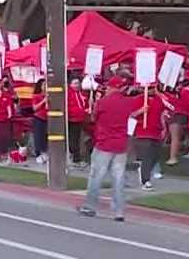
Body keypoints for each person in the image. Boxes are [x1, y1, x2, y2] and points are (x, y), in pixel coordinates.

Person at [79, 76, 146, 221]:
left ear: (110, 87)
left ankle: (90, 206)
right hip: (120, 145)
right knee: (119, 178)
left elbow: (92, 119)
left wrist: (92, 106)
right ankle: (119, 211)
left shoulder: (102, 102)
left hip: (104, 143)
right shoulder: (128, 102)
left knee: (96, 177)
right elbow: (131, 115)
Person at [135, 84, 168, 192]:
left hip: (156, 131)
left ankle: (144, 171)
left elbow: (163, 113)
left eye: (153, 88)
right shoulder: (138, 99)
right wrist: (140, 111)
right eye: (149, 88)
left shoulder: (159, 100)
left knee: (155, 156)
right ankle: (146, 181)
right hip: (143, 131)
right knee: (147, 157)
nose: (151, 90)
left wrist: (164, 127)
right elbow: (129, 115)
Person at [67, 77, 88, 168]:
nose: (77, 85)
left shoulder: (80, 93)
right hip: (72, 119)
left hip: (80, 119)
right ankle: (76, 159)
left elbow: (84, 104)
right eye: (75, 83)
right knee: (74, 140)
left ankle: (74, 156)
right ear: (70, 84)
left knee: (77, 139)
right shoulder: (68, 94)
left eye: (78, 83)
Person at [29, 80, 49, 163]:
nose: (45, 86)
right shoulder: (36, 96)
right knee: (38, 137)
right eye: (44, 85)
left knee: (45, 137)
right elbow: (34, 108)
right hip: (39, 118)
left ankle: (44, 152)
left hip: (47, 118)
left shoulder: (49, 95)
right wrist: (43, 101)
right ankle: (38, 154)